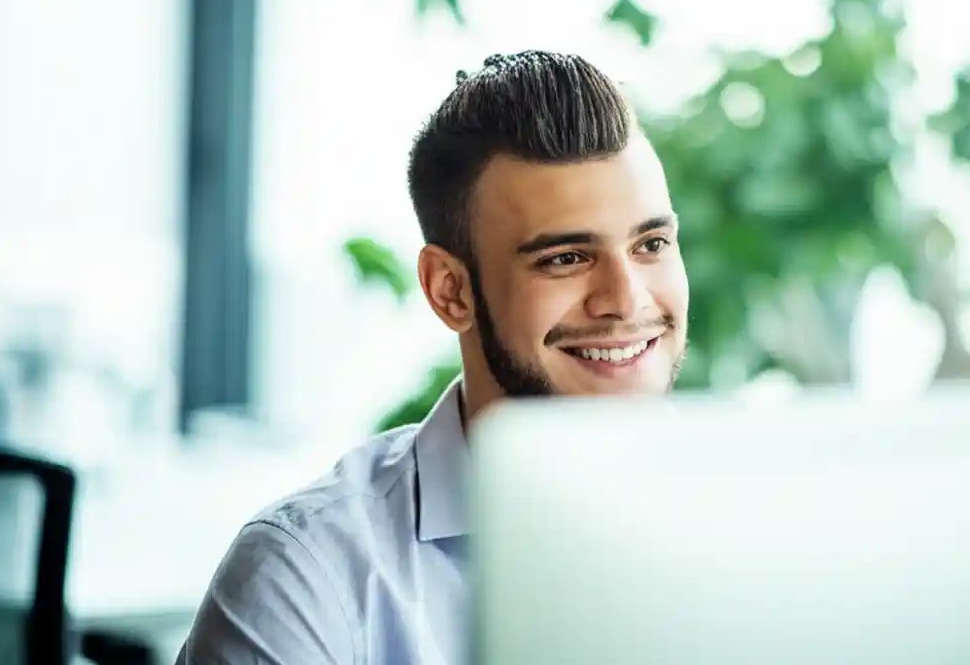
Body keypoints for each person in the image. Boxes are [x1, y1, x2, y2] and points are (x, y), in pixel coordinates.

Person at [177, 50, 690, 664]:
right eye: (565, 258)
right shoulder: (307, 577)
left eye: (651, 244)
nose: (626, 300)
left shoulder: (762, 522)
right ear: (451, 291)